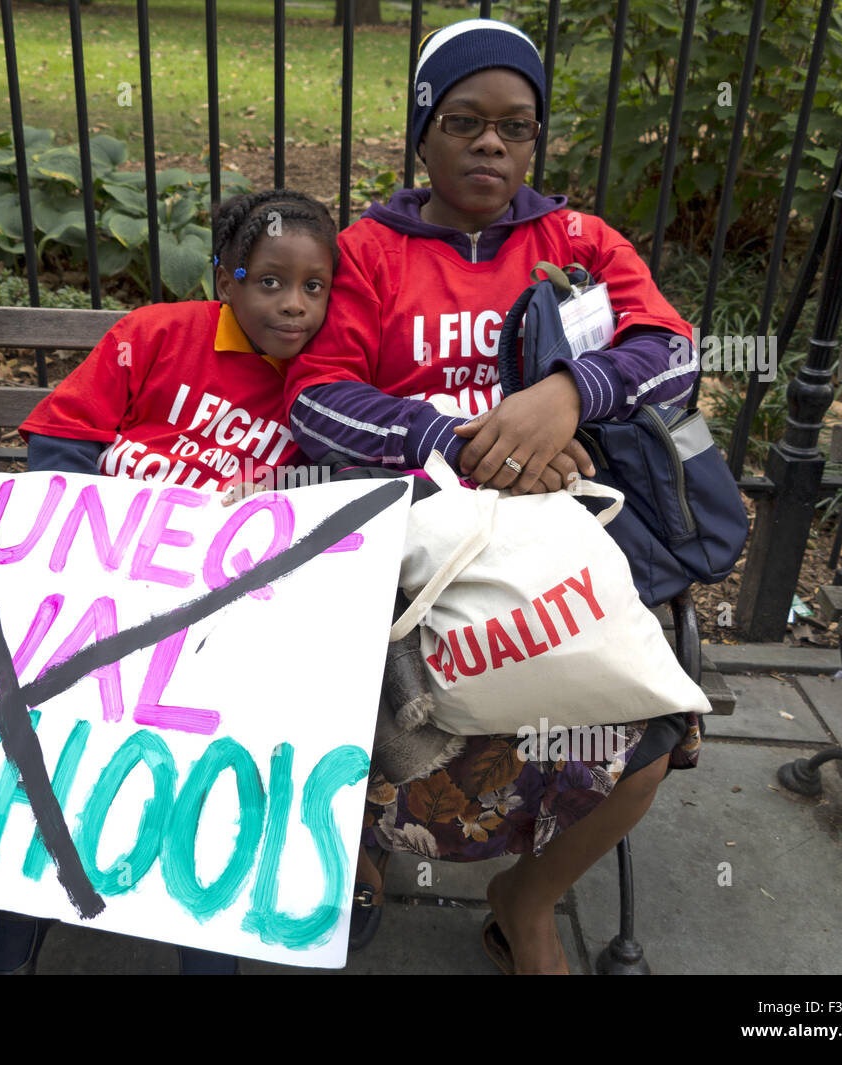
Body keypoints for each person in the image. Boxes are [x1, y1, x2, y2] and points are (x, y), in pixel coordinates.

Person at [283, 18, 703, 974]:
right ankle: (357, 856)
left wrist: (567, 397)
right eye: (466, 121)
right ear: (424, 133)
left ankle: (531, 895)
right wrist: (460, 443)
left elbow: (672, 351)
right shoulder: (368, 254)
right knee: (333, 688)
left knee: (647, 727)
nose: (491, 144)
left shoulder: (575, 241)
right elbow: (315, 400)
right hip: (410, 552)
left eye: (516, 128)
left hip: (563, 536)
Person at [0, 188, 340, 974]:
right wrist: (84, 556)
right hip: (101, 591)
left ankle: (204, 935)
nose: (295, 305)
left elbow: (335, 503)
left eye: (315, 287)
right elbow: (65, 439)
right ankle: (18, 928)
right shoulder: (154, 336)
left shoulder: (323, 378)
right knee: (61, 746)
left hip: (225, 618)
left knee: (207, 772)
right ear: (226, 280)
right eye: (270, 281)